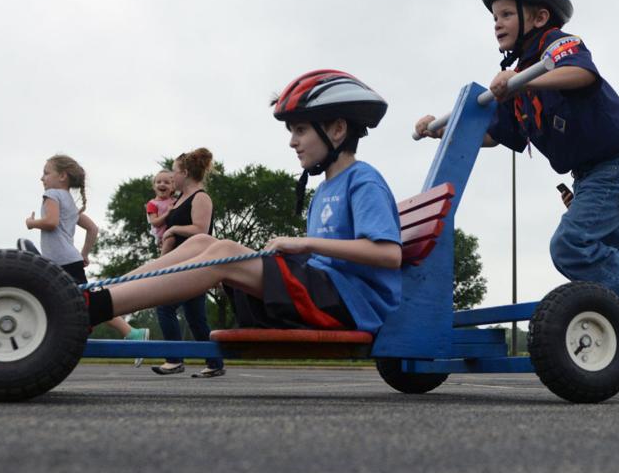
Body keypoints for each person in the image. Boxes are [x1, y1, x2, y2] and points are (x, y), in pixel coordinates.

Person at [415, 0, 619, 397]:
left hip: (617, 167)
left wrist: (516, 84)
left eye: (505, 14)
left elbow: (582, 73)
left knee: (570, 247)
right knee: (617, 281)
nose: (496, 22)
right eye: (493, 16)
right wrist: (445, 129)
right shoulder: (521, 81)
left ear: (536, 17)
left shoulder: (554, 47)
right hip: (590, 177)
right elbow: (498, 135)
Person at [81, 70, 401, 366]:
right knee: (205, 242)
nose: (292, 141)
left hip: (349, 304)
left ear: (337, 129)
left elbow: (389, 255)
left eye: (301, 130)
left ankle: (90, 311)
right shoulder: (326, 190)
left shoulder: (363, 181)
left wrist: (303, 244)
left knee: (224, 253)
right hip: (321, 292)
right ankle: (97, 298)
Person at [25, 154, 149, 344]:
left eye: (46, 173)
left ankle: (133, 334)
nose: (42, 178)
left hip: (61, 262)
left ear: (62, 176)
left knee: (84, 305)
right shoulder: (69, 201)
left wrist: (32, 223)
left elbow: (51, 222)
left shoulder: (51, 195)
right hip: (70, 260)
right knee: (85, 303)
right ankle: (131, 333)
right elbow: (93, 228)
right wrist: (83, 254)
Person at [148, 150, 225, 378]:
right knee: (195, 317)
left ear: (186, 173)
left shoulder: (201, 197)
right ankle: (214, 362)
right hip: (178, 263)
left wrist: (173, 229)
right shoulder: (178, 198)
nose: (172, 177)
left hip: (194, 264)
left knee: (165, 307)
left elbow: (200, 230)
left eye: (174, 171)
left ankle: (174, 359)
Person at [145, 169, 177, 251]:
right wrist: (168, 213)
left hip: (176, 233)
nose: (162, 184)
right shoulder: (152, 204)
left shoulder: (176, 201)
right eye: (158, 182)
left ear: (173, 187)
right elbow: (155, 223)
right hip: (163, 238)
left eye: (166, 182)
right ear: (154, 186)